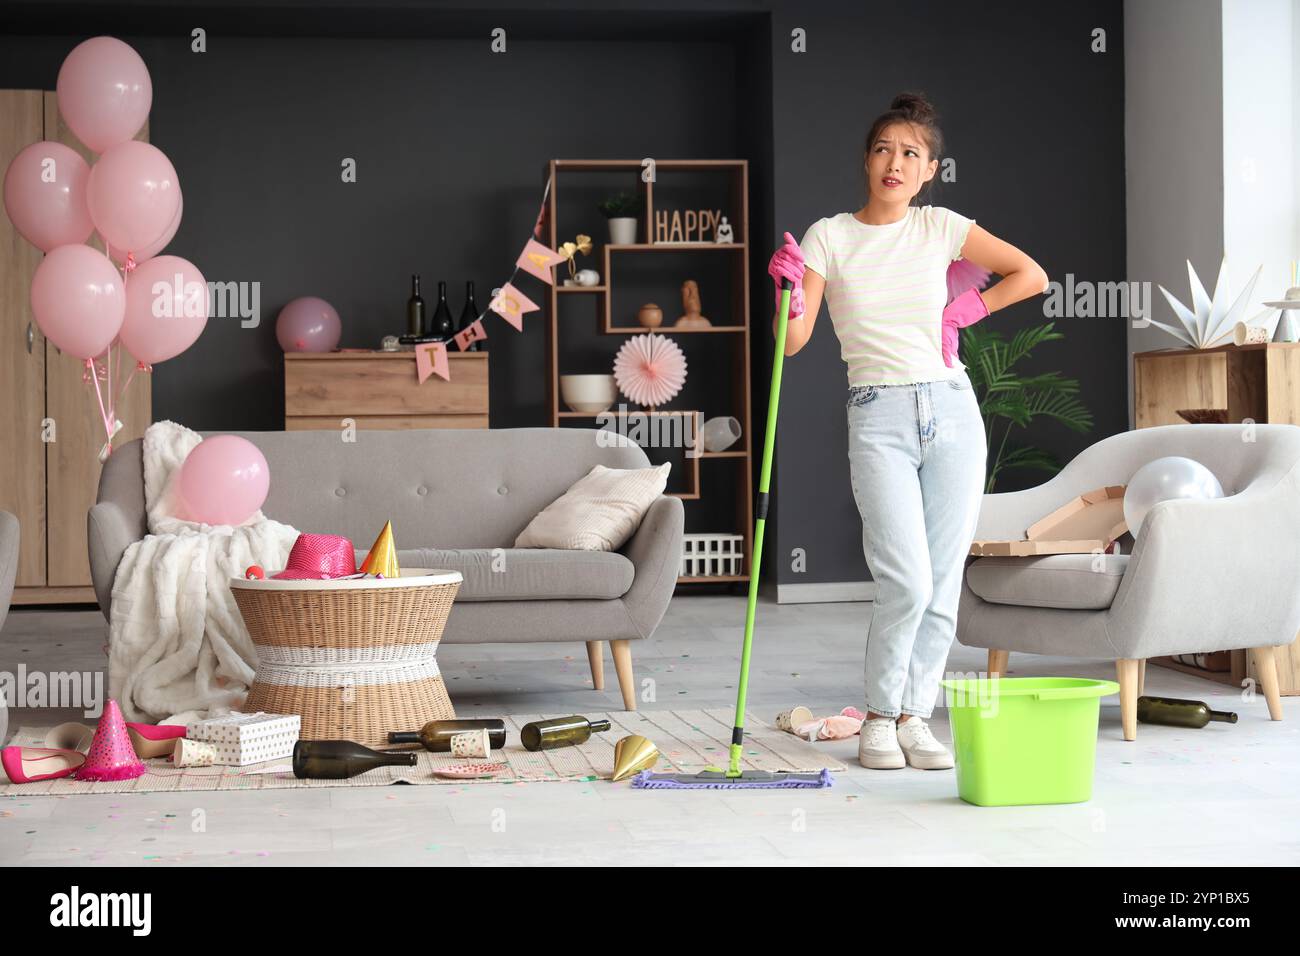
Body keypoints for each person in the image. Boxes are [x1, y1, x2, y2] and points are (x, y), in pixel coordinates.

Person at [768, 91, 1048, 770]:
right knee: (906, 582)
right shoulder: (829, 236)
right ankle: (879, 716)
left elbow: (1029, 274)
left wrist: (965, 311)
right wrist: (789, 294)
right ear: (867, 160)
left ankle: (916, 718)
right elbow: (792, 344)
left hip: (951, 410)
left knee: (943, 580)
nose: (896, 161)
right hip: (877, 415)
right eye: (885, 149)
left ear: (929, 171)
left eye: (912, 153)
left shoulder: (941, 226)